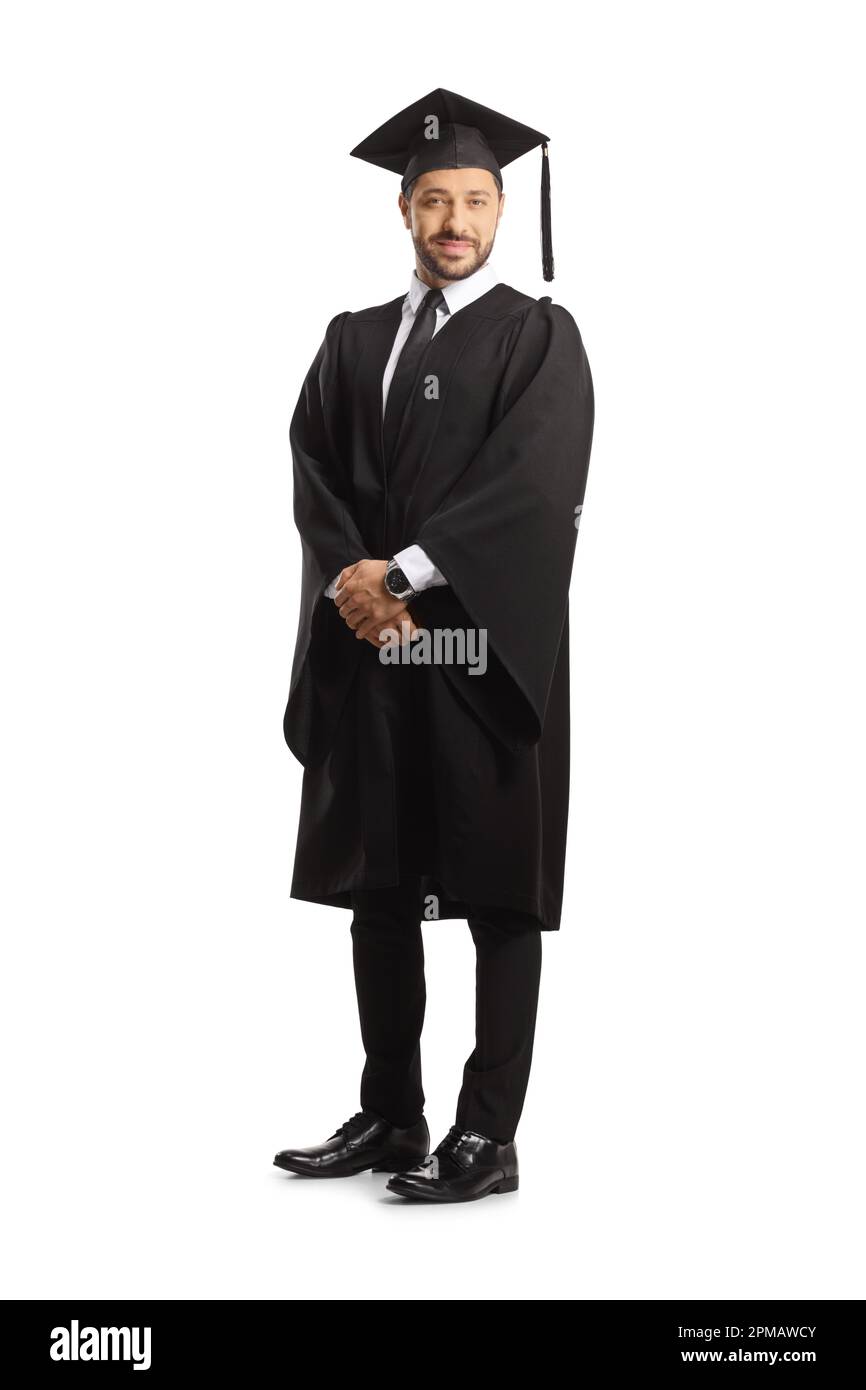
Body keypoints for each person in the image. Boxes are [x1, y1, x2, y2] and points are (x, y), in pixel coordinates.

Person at [273, 88, 595, 1202]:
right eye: (433, 199)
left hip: (478, 659)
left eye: (475, 198)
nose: (454, 217)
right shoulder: (351, 338)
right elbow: (312, 472)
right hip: (376, 659)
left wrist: (404, 572)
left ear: (500, 210)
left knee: (497, 892)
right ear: (403, 212)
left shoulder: (535, 334)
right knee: (381, 888)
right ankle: (391, 1114)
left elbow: (534, 486)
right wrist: (356, 587)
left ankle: (486, 1135)